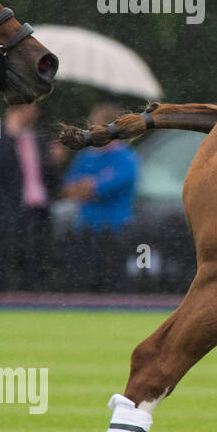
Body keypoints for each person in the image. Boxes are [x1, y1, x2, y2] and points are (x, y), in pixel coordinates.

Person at [0, 103, 61, 291]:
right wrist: (11, 135)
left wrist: (55, 162)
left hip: (38, 209)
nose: (36, 112)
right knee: (6, 262)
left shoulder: (40, 138)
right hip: (9, 210)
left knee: (38, 262)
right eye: (31, 107)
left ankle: (36, 301)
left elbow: (50, 180)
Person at [61, 103, 140, 292]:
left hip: (114, 230)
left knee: (113, 282)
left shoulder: (126, 159)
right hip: (87, 229)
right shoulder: (87, 157)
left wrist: (87, 187)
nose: (91, 130)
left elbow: (96, 190)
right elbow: (67, 190)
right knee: (86, 282)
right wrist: (85, 187)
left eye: (96, 125)